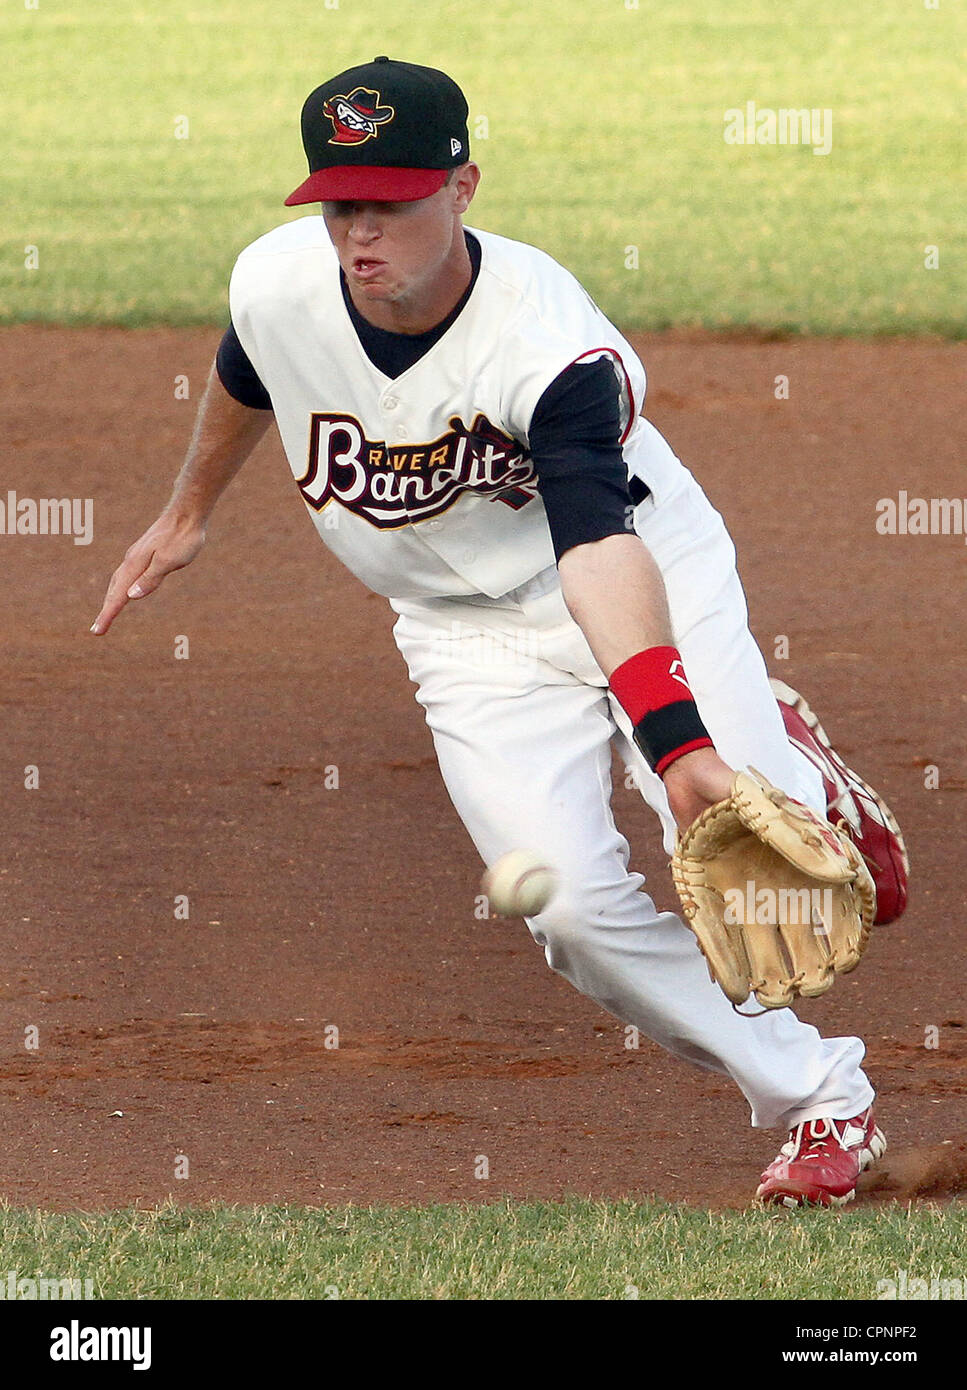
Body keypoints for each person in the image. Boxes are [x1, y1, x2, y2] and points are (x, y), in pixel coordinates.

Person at [91, 57, 908, 1207]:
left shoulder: (551, 345)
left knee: (758, 824)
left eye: (391, 201)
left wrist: (672, 751)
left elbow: (595, 550)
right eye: (339, 204)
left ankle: (798, 771)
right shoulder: (280, 280)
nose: (359, 233)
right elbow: (250, 364)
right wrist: (184, 514)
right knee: (566, 908)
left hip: (636, 573)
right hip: (459, 637)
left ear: (463, 186)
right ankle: (822, 1098)